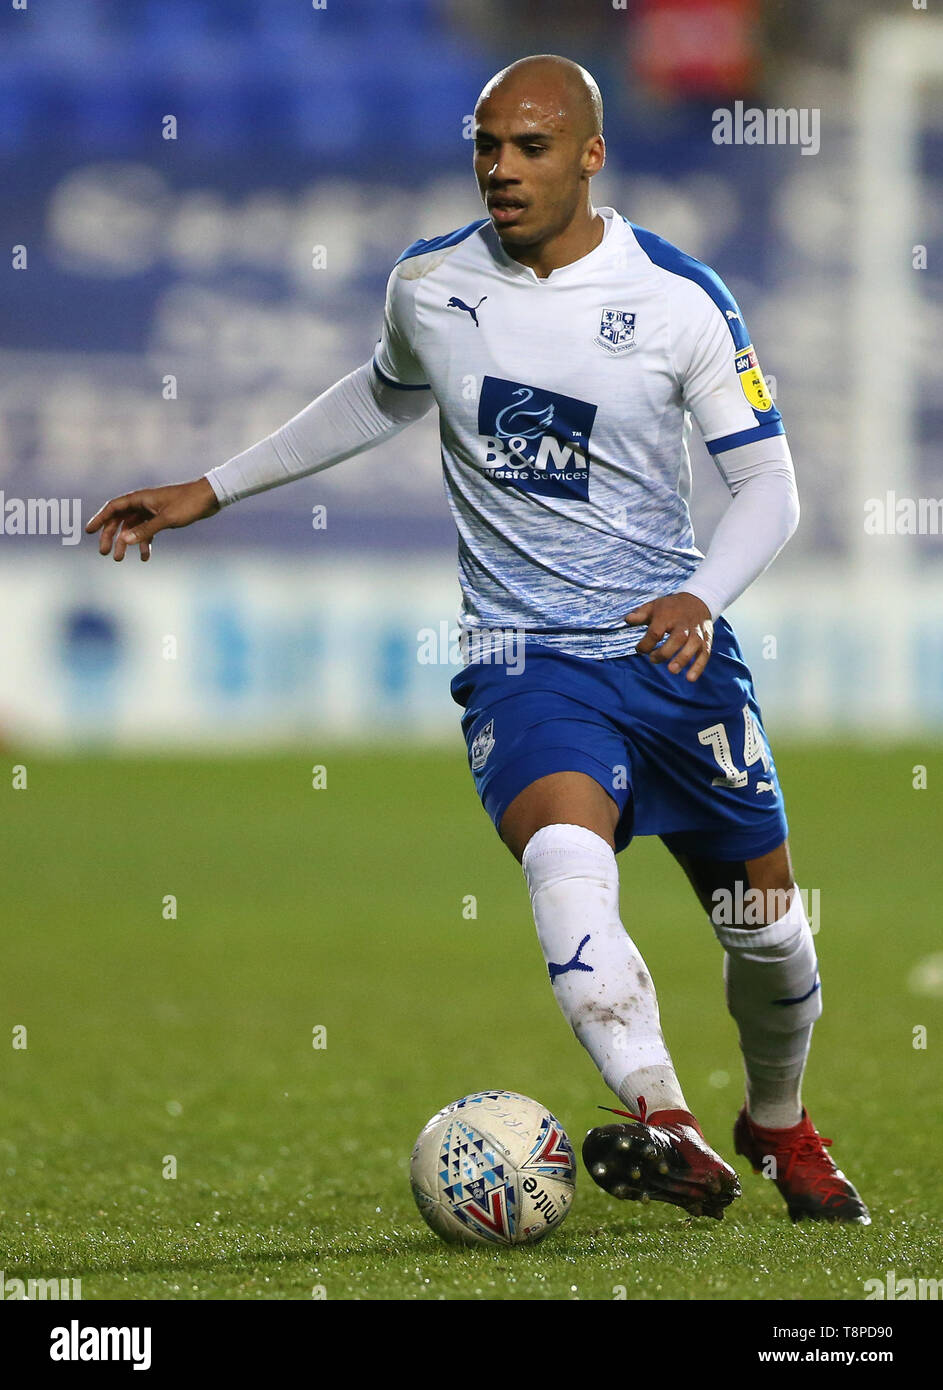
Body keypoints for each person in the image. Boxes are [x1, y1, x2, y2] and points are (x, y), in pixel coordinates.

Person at [86, 54, 868, 1224]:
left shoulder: (676, 296)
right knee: (565, 860)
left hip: (672, 658)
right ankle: (664, 1119)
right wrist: (215, 484)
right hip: (525, 661)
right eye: (487, 147)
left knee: (771, 939)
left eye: (531, 148)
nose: (501, 169)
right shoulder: (431, 282)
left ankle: (775, 1122)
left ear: (591, 155)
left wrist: (701, 595)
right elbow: (384, 389)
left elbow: (768, 489)